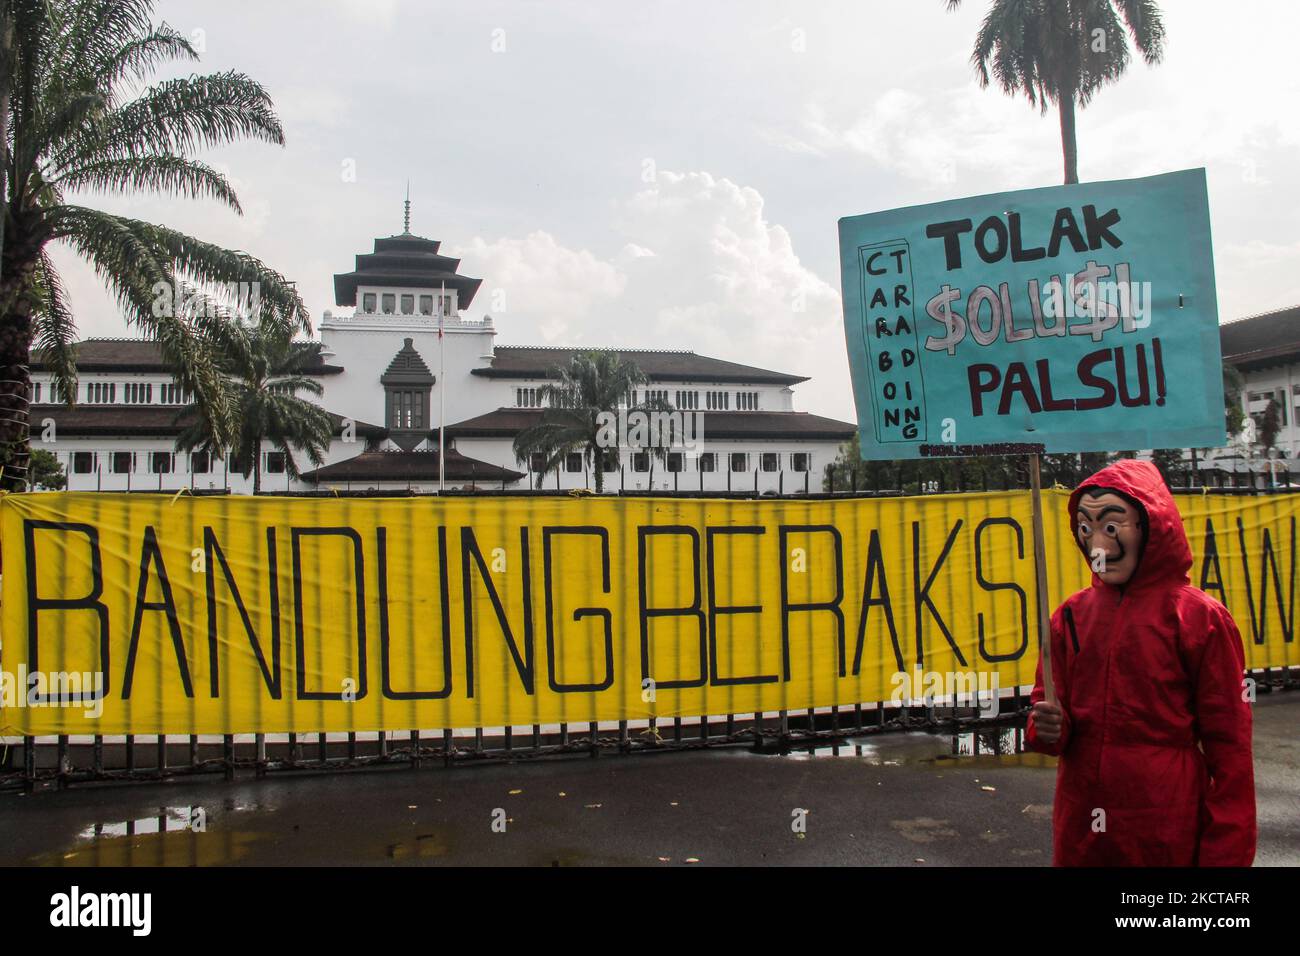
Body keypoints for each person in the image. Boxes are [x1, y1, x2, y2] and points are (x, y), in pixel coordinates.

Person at [1026, 458, 1256, 866]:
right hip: (1083, 828)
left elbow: (1230, 749)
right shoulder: (1069, 617)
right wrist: (1046, 726)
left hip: (1165, 826)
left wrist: (1226, 853)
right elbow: (1049, 719)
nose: (1098, 545)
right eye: (1086, 527)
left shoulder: (1199, 619)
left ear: (1154, 525)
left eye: (1112, 526)